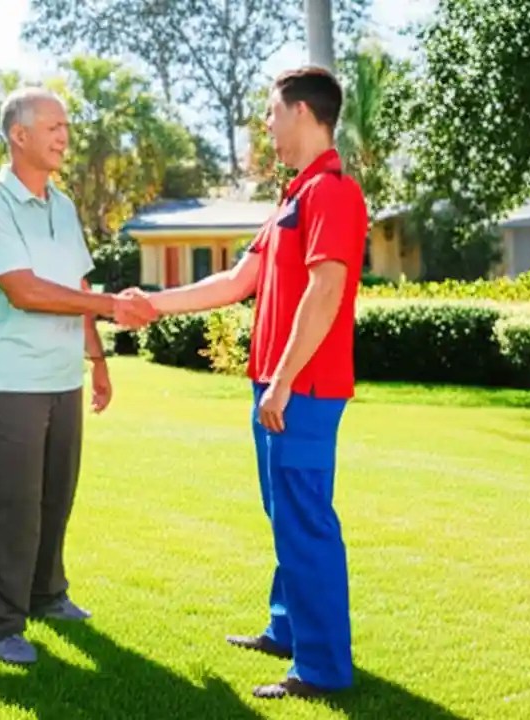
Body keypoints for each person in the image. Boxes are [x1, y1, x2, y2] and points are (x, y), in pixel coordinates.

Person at [130, 66, 368, 699]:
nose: (266, 124)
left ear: (302, 113)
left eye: (271, 112)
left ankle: (320, 669)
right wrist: (152, 305)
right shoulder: (291, 200)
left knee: (305, 517)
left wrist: (285, 380)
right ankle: (287, 629)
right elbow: (234, 284)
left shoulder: (333, 194)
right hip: (275, 386)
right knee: (284, 512)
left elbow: (327, 289)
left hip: (305, 391)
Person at [0, 86, 157, 665]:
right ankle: (0, 623)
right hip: (11, 377)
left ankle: (48, 595)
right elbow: (22, 291)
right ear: (18, 135)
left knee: (55, 496)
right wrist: (108, 309)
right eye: (53, 126)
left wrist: (96, 361)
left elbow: (78, 291)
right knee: (14, 505)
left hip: (60, 375)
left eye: (66, 126)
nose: (64, 136)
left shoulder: (63, 205)